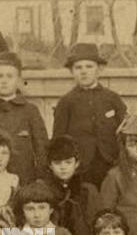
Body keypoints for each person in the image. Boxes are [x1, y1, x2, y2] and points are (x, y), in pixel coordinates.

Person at [52, 42, 126, 188]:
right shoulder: (66, 102)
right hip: (81, 169)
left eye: (89, 66)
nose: (84, 71)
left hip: (110, 164)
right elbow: (59, 140)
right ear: (72, 72)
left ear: (99, 70)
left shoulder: (112, 99)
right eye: (78, 67)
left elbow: (124, 132)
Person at [0, 51, 46, 187]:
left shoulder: (30, 111)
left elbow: (41, 150)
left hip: (25, 181)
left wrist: (40, 180)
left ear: (19, 79)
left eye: (10, 76)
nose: (4, 80)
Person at [40, 136, 95, 235]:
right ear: (50, 165)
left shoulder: (87, 191)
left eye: (68, 162)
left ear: (77, 163)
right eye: (57, 163)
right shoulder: (43, 190)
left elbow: (94, 222)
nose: (63, 167)